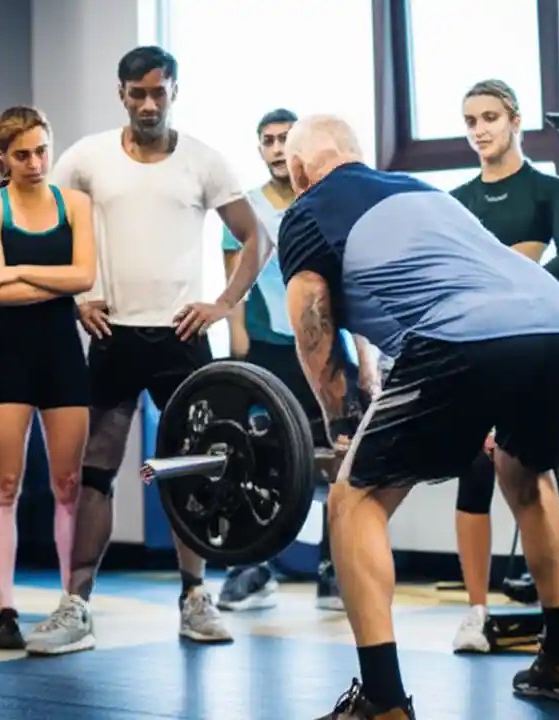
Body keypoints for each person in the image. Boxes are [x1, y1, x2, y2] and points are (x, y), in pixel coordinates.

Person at [273, 115, 559, 720]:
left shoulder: (306, 211)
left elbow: (311, 322)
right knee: (526, 474)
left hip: (461, 335)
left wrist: (338, 426)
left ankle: (383, 702)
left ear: (298, 171)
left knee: (354, 501)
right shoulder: (425, 193)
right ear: (357, 153)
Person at [24, 45, 267, 656]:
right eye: (139, 94)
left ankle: (195, 597)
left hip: (182, 336)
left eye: (160, 92)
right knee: (97, 470)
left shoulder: (203, 160)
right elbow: (47, 225)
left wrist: (222, 303)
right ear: (122, 94)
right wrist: (77, 298)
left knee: (187, 469)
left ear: (175, 91)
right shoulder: (87, 158)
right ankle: (76, 605)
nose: (150, 104)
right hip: (114, 334)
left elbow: (254, 237)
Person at [447, 79, 559, 653]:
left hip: (538, 341)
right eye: (470, 121)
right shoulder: (457, 201)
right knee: (474, 470)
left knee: (533, 472)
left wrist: (515, 280)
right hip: (480, 344)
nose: (480, 130)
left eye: (490, 117)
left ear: (514, 120)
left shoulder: (547, 190)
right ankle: (476, 613)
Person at [216, 108, 349, 613]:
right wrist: (237, 343)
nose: (276, 148)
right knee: (256, 457)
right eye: (267, 140)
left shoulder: (325, 201)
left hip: (322, 347)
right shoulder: (246, 207)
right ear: (260, 149)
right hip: (266, 349)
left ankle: (335, 568)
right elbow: (234, 281)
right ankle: (253, 569)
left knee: (335, 457)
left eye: (284, 139)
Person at [0, 107, 96, 649]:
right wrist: (54, 282)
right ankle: (5, 610)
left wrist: (20, 270)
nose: (35, 162)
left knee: (68, 485)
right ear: (3, 157)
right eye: (22, 154)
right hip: (8, 354)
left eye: (42, 150)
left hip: (61, 353)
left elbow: (84, 275)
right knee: (5, 485)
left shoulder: (75, 204)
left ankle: (72, 604)